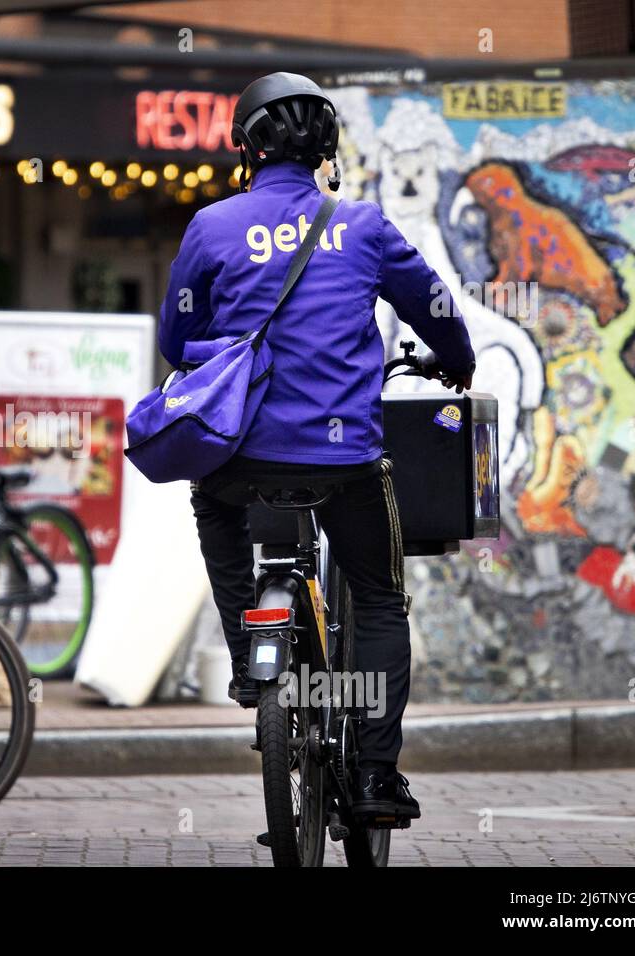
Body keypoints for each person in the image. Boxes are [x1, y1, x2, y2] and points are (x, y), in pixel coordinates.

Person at [158, 73, 476, 822]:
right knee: (380, 596)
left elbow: (175, 340)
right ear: (327, 149)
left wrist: (222, 342)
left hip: (241, 456)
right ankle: (373, 776)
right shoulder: (362, 226)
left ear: (247, 148)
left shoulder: (211, 226)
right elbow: (434, 307)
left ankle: (246, 656)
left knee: (212, 503)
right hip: (345, 462)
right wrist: (456, 362)